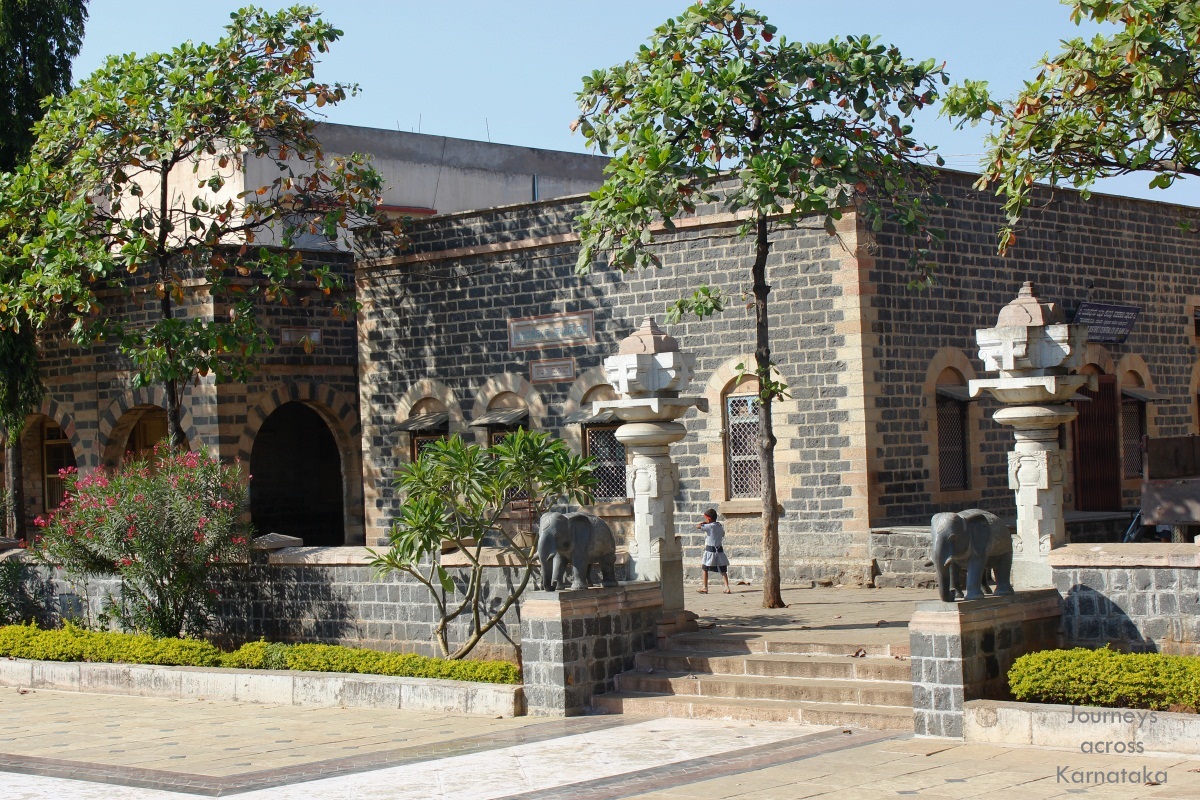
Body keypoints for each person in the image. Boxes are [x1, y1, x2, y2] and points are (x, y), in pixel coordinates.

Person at [696, 508, 731, 594]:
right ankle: (726, 586)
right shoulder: (719, 526)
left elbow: (697, 526)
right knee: (723, 569)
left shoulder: (709, 526)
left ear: (708, 519)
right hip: (719, 549)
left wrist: (703, 523)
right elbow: (722, 534)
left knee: (705, 568)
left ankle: (705, 587)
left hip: (710, 549)